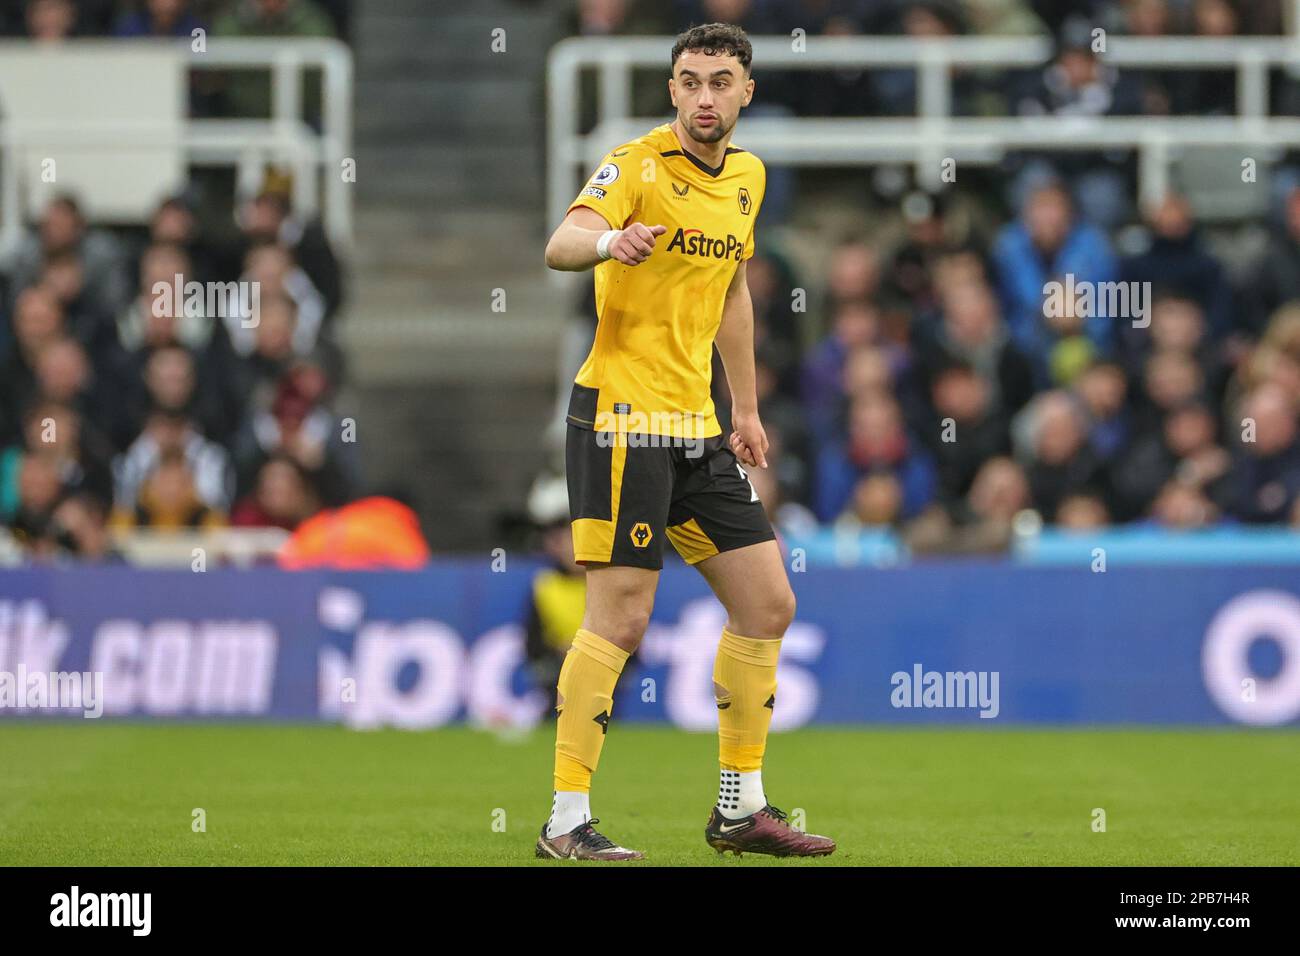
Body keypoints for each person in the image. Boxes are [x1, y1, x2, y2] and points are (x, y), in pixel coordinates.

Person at [540, 22, 834, 861]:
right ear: (672, 90)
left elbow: (732, 289)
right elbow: (561, 243)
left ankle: (740, 810)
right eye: (690, 80)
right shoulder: (635, 165)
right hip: (623, 420)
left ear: (746, 93)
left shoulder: (748, 176)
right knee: (621, 618)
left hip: (698, 425)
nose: (705, 96)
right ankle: (565, 822)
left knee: (768, 603)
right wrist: (609, 240)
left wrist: (744, 407)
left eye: (721, 81)